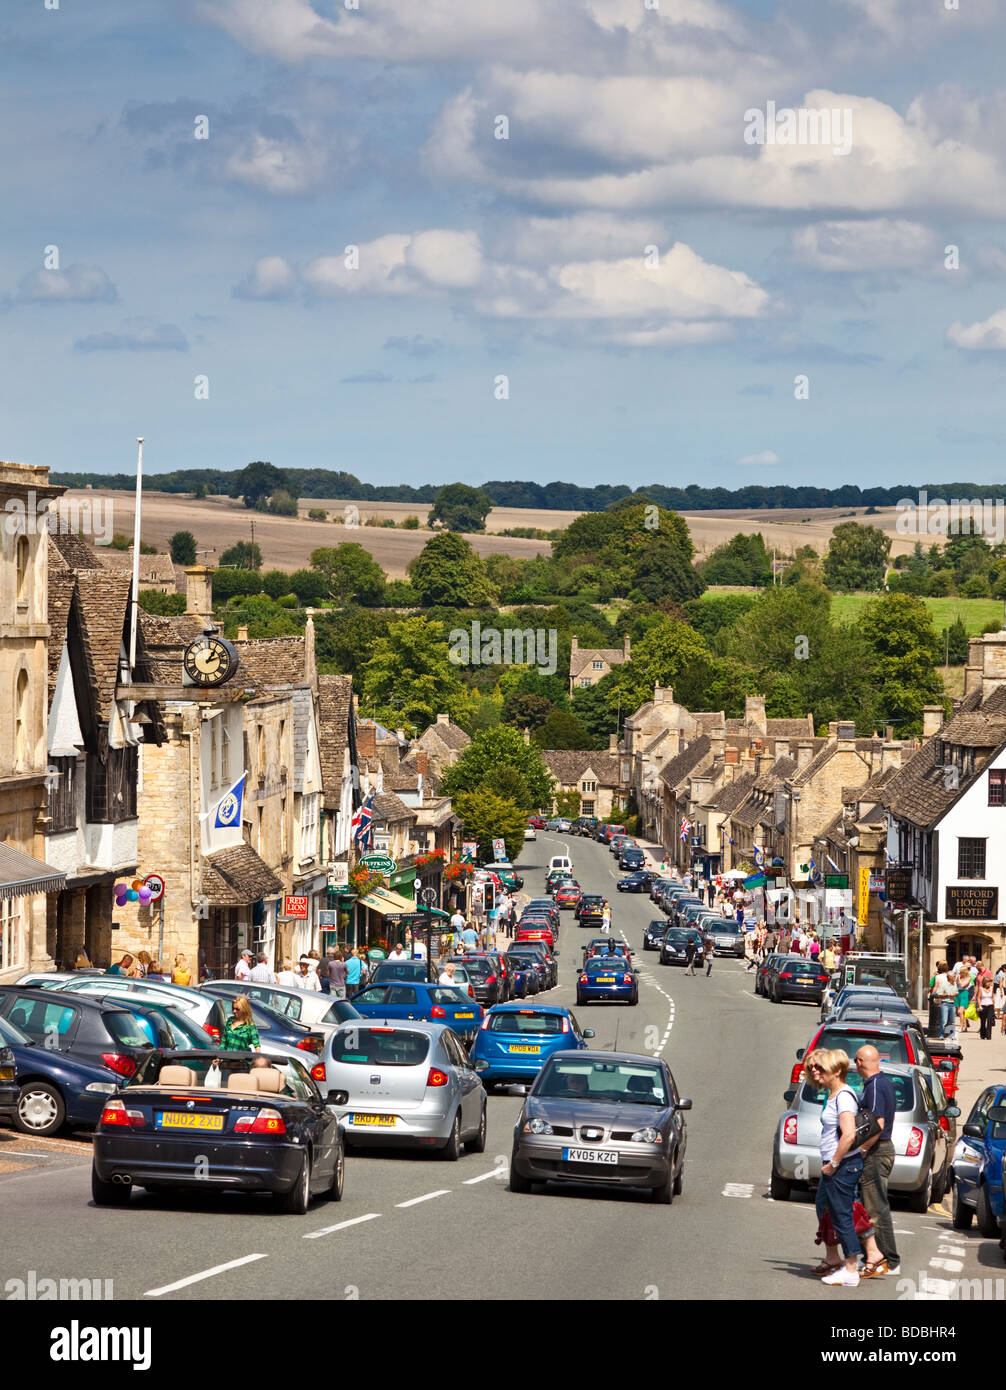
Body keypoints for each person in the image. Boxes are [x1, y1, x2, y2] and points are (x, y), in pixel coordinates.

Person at [805, 1048, 871, 1287]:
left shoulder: (844, 1095)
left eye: (820, 1067)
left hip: (842, 1165)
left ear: (836, 1070)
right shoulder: (834, 1094)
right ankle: (839, 1261)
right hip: (836, 1164)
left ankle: (851, 1268)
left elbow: (849, 1134)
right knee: (829, 1210)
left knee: (842, 1216)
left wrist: (833, 1163)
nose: (815, 1071)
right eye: (813, 1067)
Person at [855, 1046, 900, 1277]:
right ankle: (876, 1256)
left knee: (875, 1209)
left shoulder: (873, 1087)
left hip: (877, 1151)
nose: (855, 1065)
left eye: (856, 1060)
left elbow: (877, 1125)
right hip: (882, 1149)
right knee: (873, 1206)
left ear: (861, 1061)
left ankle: (889, 1261)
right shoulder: (883, 1083)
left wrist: (862, 1149)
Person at [930, 961, 957, 1040]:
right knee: (948, 1020)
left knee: (943, 1019)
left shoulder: (938, 977)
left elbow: (935, 987)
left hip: (945, 1000)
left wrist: (933, 995)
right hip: (946, 1000)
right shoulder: (949, 977)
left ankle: (945, 1034)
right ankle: (946, 1034)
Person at [978, 970, 996, 1040]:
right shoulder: (981, 989)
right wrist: (979, 1005)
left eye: (990, 982)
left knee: (989, 1021)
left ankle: (989, 1035)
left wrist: (994, 1006)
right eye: (989, 982)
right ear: (985, 982)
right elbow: (979, 998)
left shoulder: (991, 988)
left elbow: (992, 997)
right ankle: (983, 1034)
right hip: (982, 1006)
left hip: (990, 1006)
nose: (990, 984)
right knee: (983, 1022)